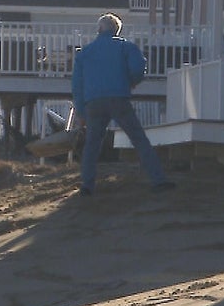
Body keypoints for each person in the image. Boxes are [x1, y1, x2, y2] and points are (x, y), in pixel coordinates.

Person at [71, 13, 174, 196]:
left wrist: (80, 111)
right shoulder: (126, 47)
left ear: (99, 29)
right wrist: (131, 81)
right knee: (139, 139)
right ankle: (158, 180)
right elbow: (138, 67)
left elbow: (77, 85)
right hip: (118, 98)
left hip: (93, 102)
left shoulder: (85, 53)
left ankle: (87, 185)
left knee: (92, 145)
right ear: (117, 31)